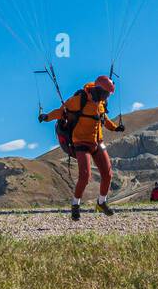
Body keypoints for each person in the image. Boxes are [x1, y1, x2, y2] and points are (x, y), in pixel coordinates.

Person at [40, 74, 124, 221]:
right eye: (106, 94)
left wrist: (115, 128)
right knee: (85, 176)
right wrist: (46, 117)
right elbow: (61, 112)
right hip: (81, 143)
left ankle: (101, 202)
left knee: (108, 174)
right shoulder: (79, 100)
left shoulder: (101, 103)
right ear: (98, 90)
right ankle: (75, 205)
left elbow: (104, 120)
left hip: (97, 141)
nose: (107, 98)